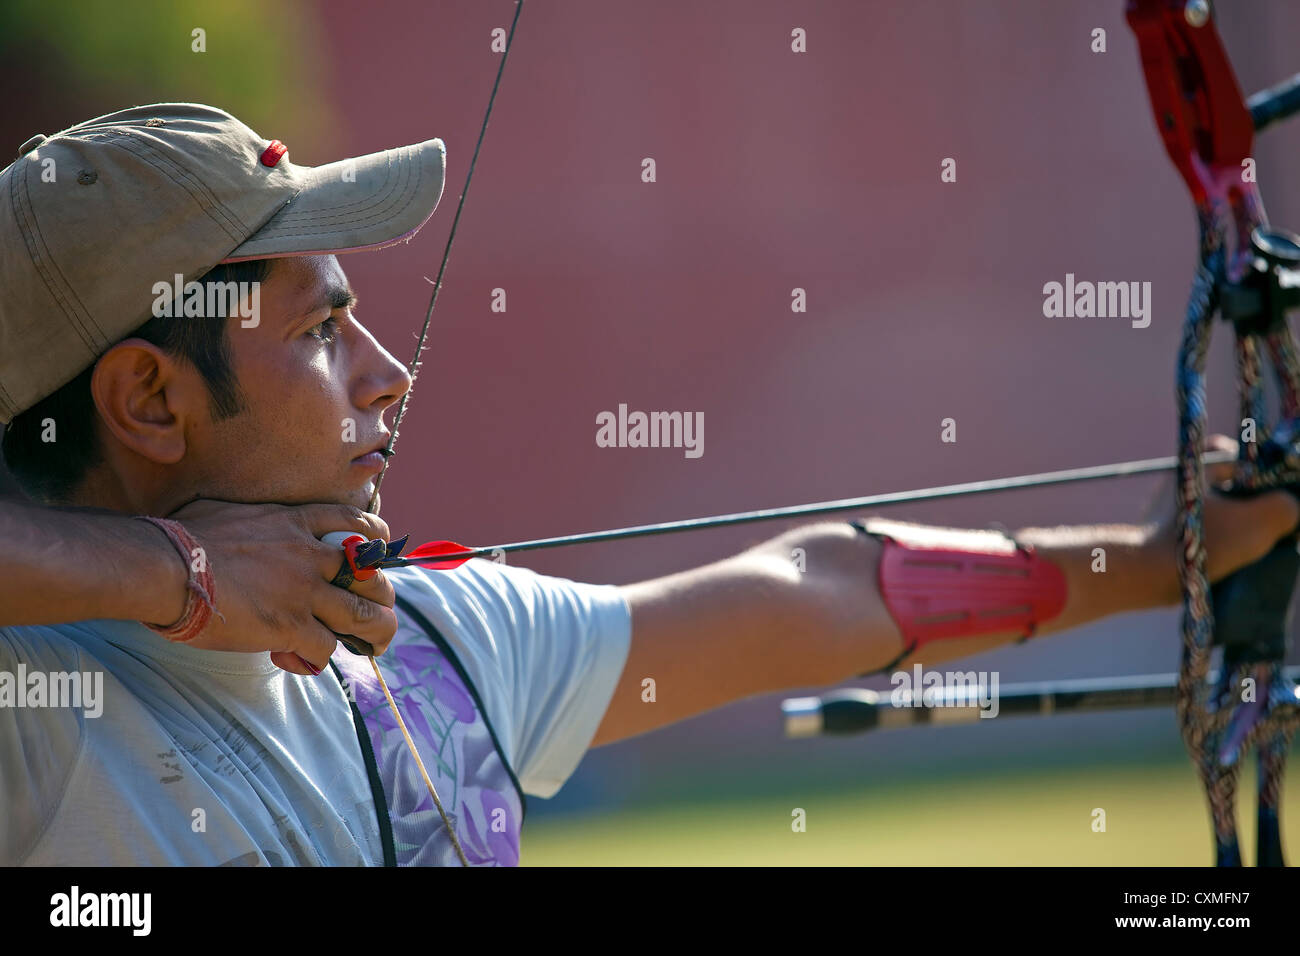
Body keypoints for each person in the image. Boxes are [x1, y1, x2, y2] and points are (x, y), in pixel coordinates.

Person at [1, 104, 1294, 866]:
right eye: (320, 333)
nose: (387, 377)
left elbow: (815, 594)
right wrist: (182, 581)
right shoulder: (38, 711)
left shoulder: (421, 648)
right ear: (150, 403)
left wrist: (1160, 554)